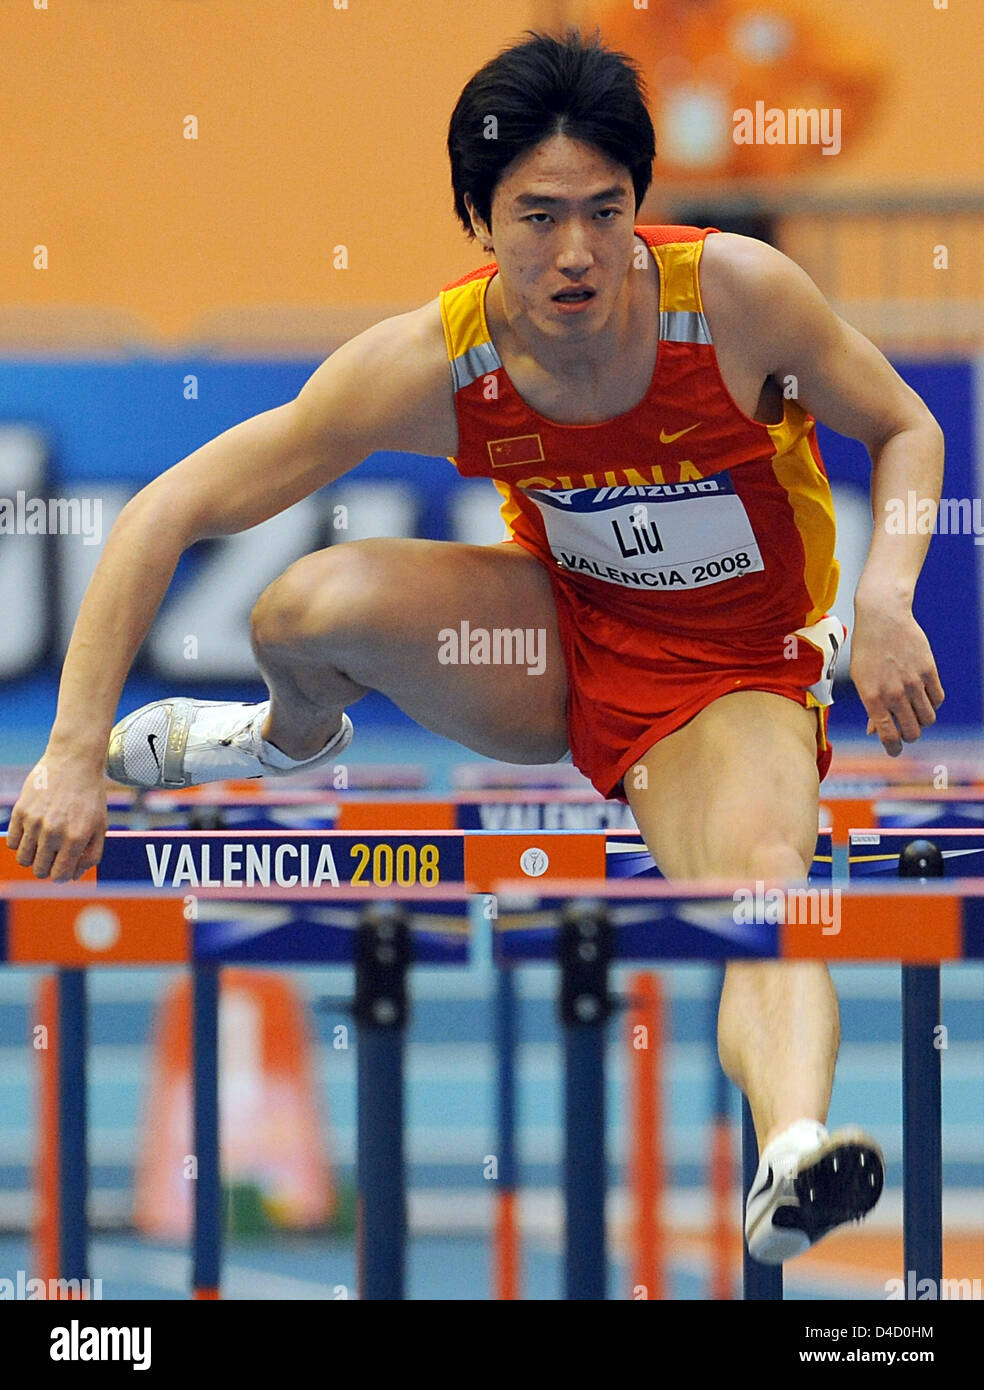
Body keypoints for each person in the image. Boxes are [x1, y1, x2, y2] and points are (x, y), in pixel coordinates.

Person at [7, 28, 944, 1265]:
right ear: (479, 221)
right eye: (538, 216)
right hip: (554, 642)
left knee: (764, 873)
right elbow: (166, 510)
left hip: (728, 681)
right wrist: (73, 752)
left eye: (606, 213)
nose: (576, 253)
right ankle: (279, 739)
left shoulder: (737, 296)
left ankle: (793, 1149)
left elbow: (907, 426)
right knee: (303, 605)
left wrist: (886, 592)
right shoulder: (436, 362)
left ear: (639, 208)